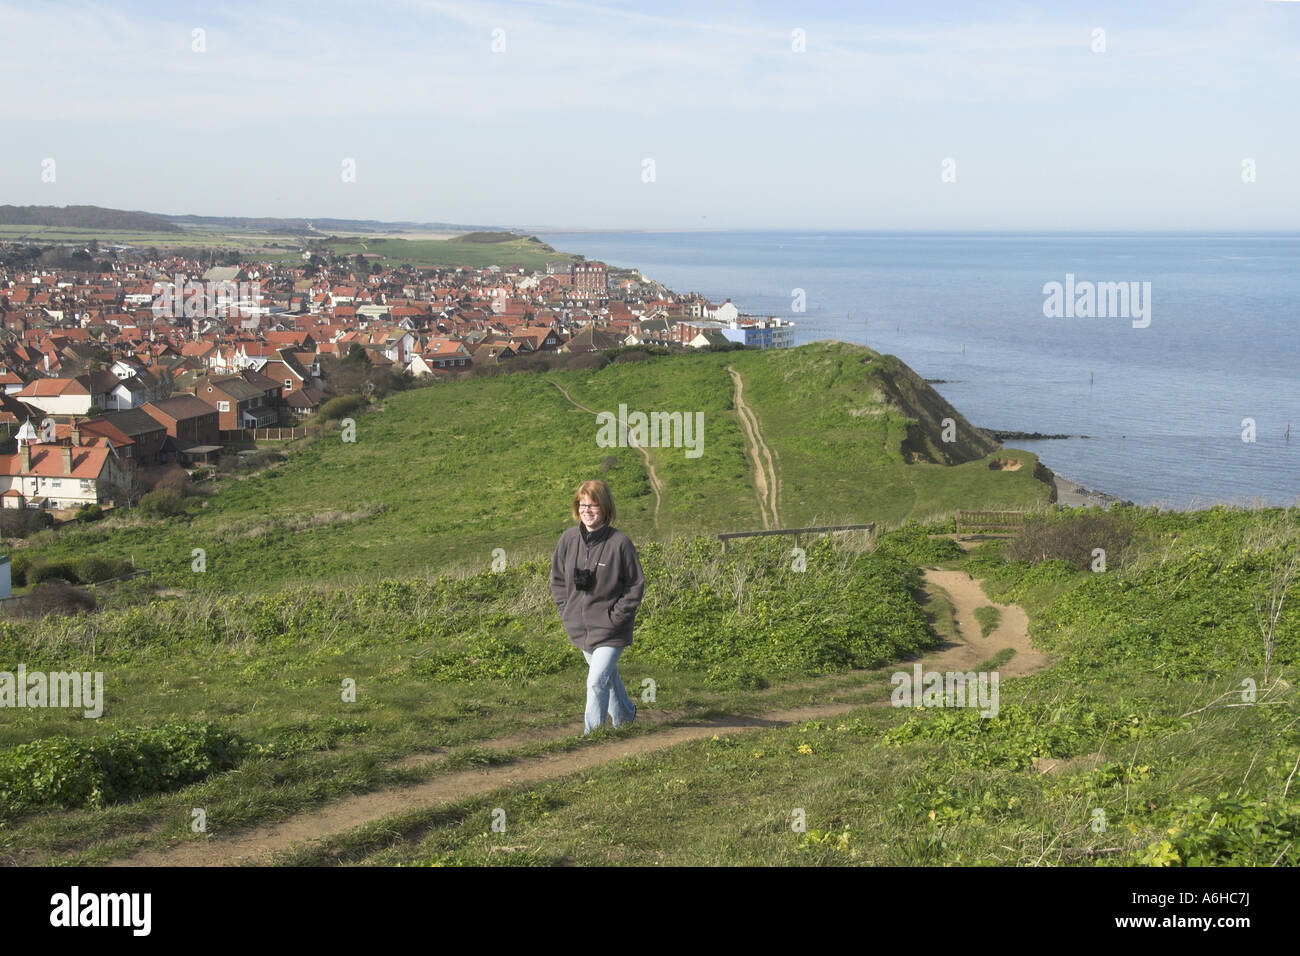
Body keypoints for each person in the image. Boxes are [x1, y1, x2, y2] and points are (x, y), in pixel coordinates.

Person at [550, 479, 645, 735]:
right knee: (607, 677)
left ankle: (591, 735)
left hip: (611, 630)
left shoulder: (620, 543)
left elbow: (635, 585)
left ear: (605, 508)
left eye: (593, 505)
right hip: (580, 628)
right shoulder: (568, 539)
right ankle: (625, 716)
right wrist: (566, 611)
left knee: (595, 681)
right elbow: (557, 580)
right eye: (582, 505)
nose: (587, 510)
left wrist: (616, 617)